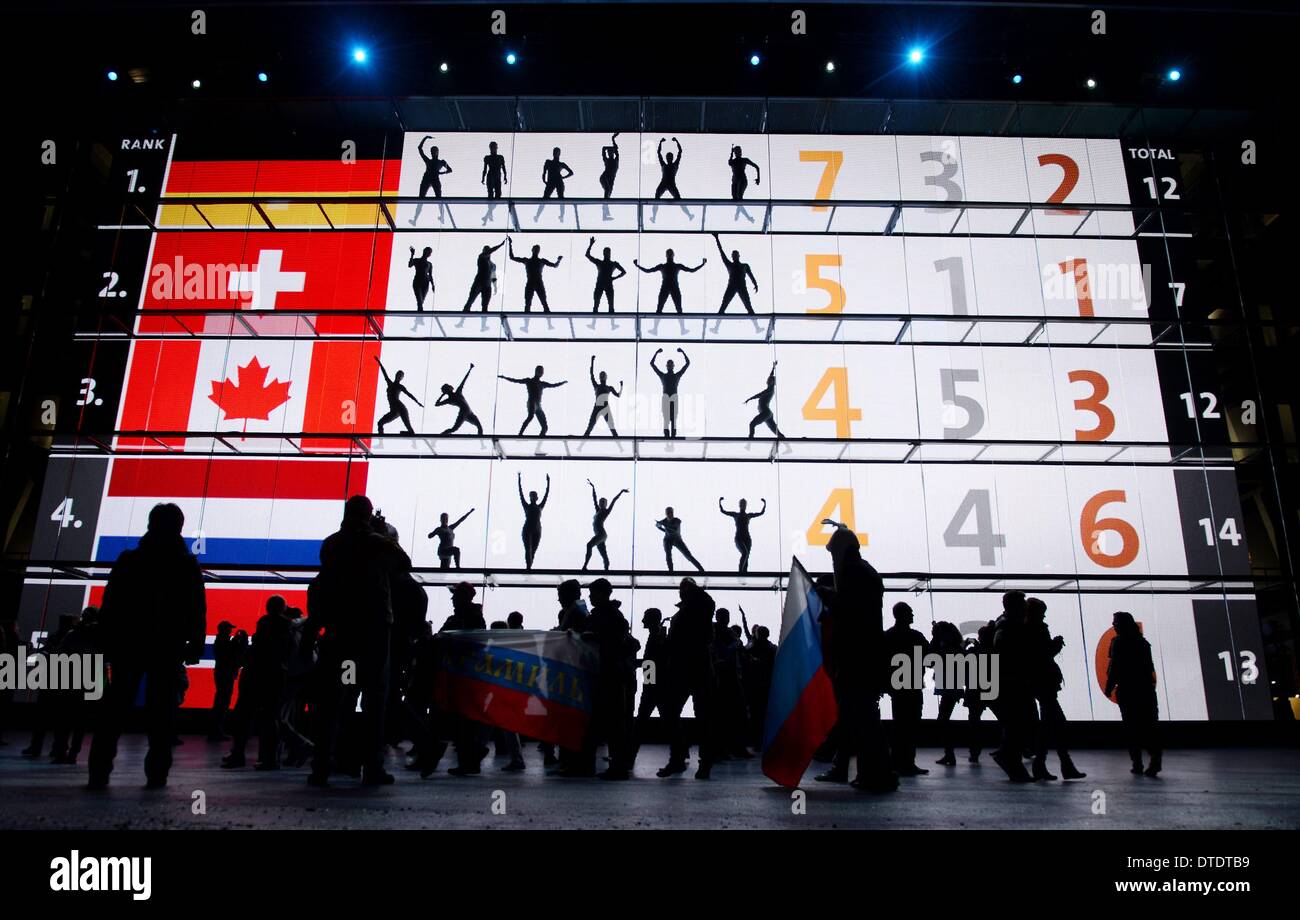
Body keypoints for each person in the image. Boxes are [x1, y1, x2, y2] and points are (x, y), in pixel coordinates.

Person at [87, 503, 206, 789]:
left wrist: (105, 640)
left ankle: (99, 770)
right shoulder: (186, 565)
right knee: (162, 712)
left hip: (129, 643)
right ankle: (156, 773)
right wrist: (195, 644)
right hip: (167, 645)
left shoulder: (129, 560)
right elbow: (196, 608)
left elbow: (111, 603)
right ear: (178, 527)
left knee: (115, 709)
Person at [305, 495, 412, 787]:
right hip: (373, 632)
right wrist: (379, 532)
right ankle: (372, 767)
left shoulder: (332, 544)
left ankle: (323, 765)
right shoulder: (376, 543)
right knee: (375, 698)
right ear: (368, 516)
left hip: (342, 633)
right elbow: (404, 562)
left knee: (336, 698)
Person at [816, 519, 896, 792]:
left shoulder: (852, 572)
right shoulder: (865, 571)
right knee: (858, 716)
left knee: (861, 718)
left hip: (857, 658)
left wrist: (825, 594)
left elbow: (848, 609)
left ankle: (876, 774)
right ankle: (865, 771)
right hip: (867, 656)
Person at [569, 578, 633, 780]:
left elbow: (607, 642)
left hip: (604, 673)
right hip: (611, 673)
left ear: (601, 593)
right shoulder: (613, 615)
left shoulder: (602, 616)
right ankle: (616, 766)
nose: (590, 597)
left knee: (600, 721)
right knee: (612, 722)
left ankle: (589, 765)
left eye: (593, 593)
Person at [657, 578, 717, 779]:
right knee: (703, 716)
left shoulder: (691, 610)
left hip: (683, 668)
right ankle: (701, 762)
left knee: (673, 711)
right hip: (697, 668)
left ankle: (680, 757)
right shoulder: (700, 609)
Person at [1026, 597, 1086, 780]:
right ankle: (1061, 765)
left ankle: (1048, 765)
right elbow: (1043, 654)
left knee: (1049, 725)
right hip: (1045, 682)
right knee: (1056, 724)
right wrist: (1056, 645)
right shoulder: (1038, 629)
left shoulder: (1025, 628)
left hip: (1038, 682)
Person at [1104, 610, 1162, 777]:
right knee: (1150, 725)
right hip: (1144, 689)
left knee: (1131, 727)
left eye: (1115, 622)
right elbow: (1149, 668)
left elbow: (1114, 668)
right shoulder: (1142, 643)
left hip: (1127, 690)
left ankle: (1137, 762)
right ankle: (1154, 760)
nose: (1113, 625)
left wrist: (1109, 687)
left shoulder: (1118, 643)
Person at [990, 591, 1036, 783]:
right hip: (1014, 683)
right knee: (1020, 722)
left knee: (1015, 724)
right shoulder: (1011, 628)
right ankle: (1010, 758)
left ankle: (1012, 760)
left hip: (1010, 682)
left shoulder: (1005, 626)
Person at [883, 602, 930, 777]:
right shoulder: (916, 636)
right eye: (910, 612)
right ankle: (908, 762)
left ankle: (897, 761)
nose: (912, 615)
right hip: (913, 685)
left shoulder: (888, 636)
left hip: (897, 687)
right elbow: (929, 656)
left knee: (899, 725)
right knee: (911, 726)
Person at [630, 606, 669, 767]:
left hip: (653, 686)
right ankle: (680, 752)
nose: (642, 620)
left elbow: (652, 662)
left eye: (645, 617)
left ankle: (628, 757)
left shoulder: (656, 637)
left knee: (641, 722)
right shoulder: (658, 635)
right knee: (668, 720)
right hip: (657, 685)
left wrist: (648, 683)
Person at [711, 608, 752, 760]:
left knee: (724, 715)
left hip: (725, 677)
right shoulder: (728, 635)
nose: (725, 619)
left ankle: (724, 748)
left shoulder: (716, 632)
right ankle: (734, 747)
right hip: (727, 677)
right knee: (734, 714)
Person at [636, 252, 705, 335]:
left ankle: (661, 329)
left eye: (669, 253)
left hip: (668, 288)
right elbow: (692, 270)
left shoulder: (664, 266)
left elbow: (648, 271)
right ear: (672, 255)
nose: (669, 255)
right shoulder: (674, 266)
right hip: (672, 288)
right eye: (669, 253)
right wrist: (702, 264)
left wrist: (637, 265)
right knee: (672, 309)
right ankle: (678, 329)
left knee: (665, 309)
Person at [929, 620, 965, 766]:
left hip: (949, 687)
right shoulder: (956, 648)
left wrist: (935, 638)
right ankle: (949, 753)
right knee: (943, 720)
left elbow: (930, 659)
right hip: (952, 687)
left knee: (942, 720)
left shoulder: (947, 648)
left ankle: (949, 753)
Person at [739, 607, 775, 749]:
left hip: (754, 686)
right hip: (766, 686)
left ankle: (755, 740)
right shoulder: (772, 648)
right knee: (763, 713)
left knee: (754, 714)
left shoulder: (751, 648)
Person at [499, 366, 567, 437]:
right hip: (532, 403)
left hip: (538, 406)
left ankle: (540, 438)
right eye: (540, 371)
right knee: (530, 416)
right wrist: (505, 377)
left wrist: (562, 383)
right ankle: (520, 434)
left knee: (545, 427)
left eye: (542, 372)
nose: (541, 373)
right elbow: (515, 380)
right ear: (536, 371)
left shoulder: (542, 384)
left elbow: (553, 385)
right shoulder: (529, 381)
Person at [208, 620, 246, 740]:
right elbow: (232, 655)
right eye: (229, 628)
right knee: (222, 702)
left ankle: (216, 730)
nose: (231, 631)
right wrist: (239, 642)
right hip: (225, 674)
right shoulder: (223, 642)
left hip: (223, 673)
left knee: (221, 701)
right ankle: (216, 731)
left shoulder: (221, 641)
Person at [964, 621, 996, 763]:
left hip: (975, 690)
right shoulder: (994, 651)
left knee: (974, 723)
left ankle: (974, 752)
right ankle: (1019, 748)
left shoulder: (973, 652)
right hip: (991, 688)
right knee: (1006, 720)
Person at [712, 233, 760, 325]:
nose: (733, 256)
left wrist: (755, 284)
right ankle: (716, 327)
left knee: (748, 307)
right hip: (732, 287)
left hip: (741, 287)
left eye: (735, 255)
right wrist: (717, 239)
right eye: (733, 255)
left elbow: (751, 275)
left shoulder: (744, 266)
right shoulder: (730, 265)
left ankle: (757, 327)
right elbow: (721, 252)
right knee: (723, 306)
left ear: (738, 256)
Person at [583, 479, 628, 571]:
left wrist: (621, 491)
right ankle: (606, 569)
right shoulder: (597, 510)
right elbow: (594, 499)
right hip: (599, 535)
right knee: (604, 555)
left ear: (606, 504)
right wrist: (593, 487)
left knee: (589, 545)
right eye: (601, 502)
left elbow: (614, 500)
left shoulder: (606, 511)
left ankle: (585, 566)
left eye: (604, 502)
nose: (601, 503)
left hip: (601, 534)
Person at [508, 239, 563, 315]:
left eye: (538, 250)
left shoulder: (540, 261)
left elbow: (554, 265)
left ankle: (549, 323)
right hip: (532, 282)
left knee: (543, 302)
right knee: (528, 303)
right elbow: (512, 257)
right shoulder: (527, 260)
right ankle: (527, 323)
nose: (537, 251)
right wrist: (510, 244)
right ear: (532, 250)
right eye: (536, 249)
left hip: (537, 282)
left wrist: (559, 260)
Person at [374, 357, 423, 436]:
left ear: (401, 378)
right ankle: (381, 442)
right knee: (380, 423)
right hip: (394, 411)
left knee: (409, 428)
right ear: (396, 375)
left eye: (400, 376)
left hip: (401, 408)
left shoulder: (400, 387)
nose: (399, 376)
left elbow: (409, 394)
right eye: (398, 374)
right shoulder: (390, 383)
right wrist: (379, 362)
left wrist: (417, 402)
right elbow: (384, 372)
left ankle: (414, 443)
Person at [650, 348, 690, 438]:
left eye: (671, 364)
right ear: (667, 366)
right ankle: (667, 437)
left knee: (673, 419)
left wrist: (683, 352)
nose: (670, 365)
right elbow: (652, 364)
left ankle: (672, 437)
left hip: (673, 399)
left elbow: (687, 363)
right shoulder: (664, 376)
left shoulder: (676, 375)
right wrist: (656, 353)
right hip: (666, 399)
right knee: (666, 420)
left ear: (673, 366)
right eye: (669, 364)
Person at [650, 137, 693, 222]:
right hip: (665, 183)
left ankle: (689, 215)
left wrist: (676, 141)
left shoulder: (673, 165)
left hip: (670, 184)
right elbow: (658, 153)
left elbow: (680, 152)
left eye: (669, 157)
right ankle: (654, 217)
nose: (668, 158)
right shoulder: (667, 165)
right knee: (657, 198)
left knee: (678, 200)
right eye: (668, 157)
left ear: (671, 158)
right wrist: (661, 143)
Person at [412, 136, 452, 225]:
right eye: (432, 151)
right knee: (421, 199)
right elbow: (419, 148)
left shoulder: (441, 162)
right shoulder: (430, 161)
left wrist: (441, 173)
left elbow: (450, 170)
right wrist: (425, 138)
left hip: (432, 179)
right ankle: (415, 220)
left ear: (437, 152)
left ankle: (442, 217)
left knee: (438, 199)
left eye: (434, 151)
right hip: (427, 179)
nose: (432, 153)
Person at [719, 497, 765, 573]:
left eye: (744, 504)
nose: (743, 505)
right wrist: (720, 502)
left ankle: (744, 576)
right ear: (739, 505)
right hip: (739, 537)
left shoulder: (748, 515)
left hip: (747, 538)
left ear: (746, 506)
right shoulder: (735, 514)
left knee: (746, 557)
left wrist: (764, 504)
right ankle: (740, 573)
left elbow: (761, 513)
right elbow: (723, 511)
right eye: (741, 504)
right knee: (745, 553)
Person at [436, 364, 484, 436]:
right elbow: (437, 404)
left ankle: (482, 443)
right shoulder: (449, 399)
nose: (450, 388)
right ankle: (440, 436)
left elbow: (464, 380)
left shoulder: (457, 393)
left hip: (469, 413)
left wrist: (469, 370)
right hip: (464, 413)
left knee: (479, 427)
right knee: (453, 429)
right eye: (448, 388)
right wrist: (442, 394)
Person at [583, 356, 623, 436]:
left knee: (611, 427)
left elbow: (618, 395)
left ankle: (619, 442)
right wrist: (592, 361)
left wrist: (621, 387)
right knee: (590, 427)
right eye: (601, 375)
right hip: (599, 407)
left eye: (603, 375)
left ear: (605, 377)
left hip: (602, 407)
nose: (602, 376)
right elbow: (591, 375)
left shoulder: (606, 387)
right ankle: (583, 439)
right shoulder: (598, 386)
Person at [586, 237, 627, 315]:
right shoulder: (606, 263)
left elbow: (624, 272)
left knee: (608, 306)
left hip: (603, 284)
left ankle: (609, 323)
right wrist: (591, 244)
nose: (607, 254)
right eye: (606, 252)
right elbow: (587, 255)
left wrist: (614, 278)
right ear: (604, 253)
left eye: (608, 252)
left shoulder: (610, 263)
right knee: (598, 305)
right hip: (603, 284)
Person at [656, 506, 704, 573]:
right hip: (668, 540)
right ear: (666, 513)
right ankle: (671, 572)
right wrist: (658, 525)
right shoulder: (664, 521)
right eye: (668, 513)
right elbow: (660, 527)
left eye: (671, 512)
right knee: (668, 556)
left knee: (688, 555)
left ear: (673, 513)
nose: (669, 514)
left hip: (677, 540)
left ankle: (702, 571)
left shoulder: (677, 520)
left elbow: (674, 528)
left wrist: (663, 524)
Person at [463, 241, 506, 313]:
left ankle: (483, 322)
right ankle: (462, 319)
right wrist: (501, 245)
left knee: (485, 305)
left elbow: (493, 276)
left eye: (488, 249)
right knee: (470, 300)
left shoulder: (493, 265)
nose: (487, 251)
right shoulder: (481, 257)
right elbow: (491, 251)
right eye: (486, 250)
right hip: (478, 283)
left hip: (487, 285)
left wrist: (495, 286)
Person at [518, 473, 550, 569]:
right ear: (530, 497)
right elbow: (521, 494)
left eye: (534, 495)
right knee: (528, 549)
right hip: (528, 529)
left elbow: (546, 495)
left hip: (537, 530)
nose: (532, 497)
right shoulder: (526, 506)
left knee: (533, 551)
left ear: (537, 497)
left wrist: (548, 482)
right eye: (531, 495)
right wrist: (519, 480)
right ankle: (528, 568)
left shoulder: (540, 506)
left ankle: (529, 568)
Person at [744, 362, 785, 438]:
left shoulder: (770, 390)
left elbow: (759, 394)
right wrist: (773, 367)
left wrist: (750, 399)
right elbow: (771, 375)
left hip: (766, 413)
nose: (768, 380)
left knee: (752, 424)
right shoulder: (769, 388)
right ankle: (784, 441)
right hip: (768, 414)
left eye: (770, 380)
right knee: (776, 432)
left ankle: (750, 439)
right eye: (768, 380)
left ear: (772, 383)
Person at [534, 147, 574, 222]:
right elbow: (544, 172)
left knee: (559, 198)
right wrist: (544, 180)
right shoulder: (550, 162)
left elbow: (571, 173)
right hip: (553, 182)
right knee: (547, 198)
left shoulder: (557, 163)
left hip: (555, 181)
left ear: (559, 154)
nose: (555, 153)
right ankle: (537, 216)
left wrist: (563, 177)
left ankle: (561, 216)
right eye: (554, 152)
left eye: (556, 152)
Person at [728, 144, 761, 220]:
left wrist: (758, 178)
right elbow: (729, 163)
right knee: (735, 199)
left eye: (739, 151)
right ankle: (746, 216)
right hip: (735, 181)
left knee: (739, 198)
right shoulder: (732, 161)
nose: (738, 153)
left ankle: (745, 216)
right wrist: (731, 154)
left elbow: (757, 167)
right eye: (736, 152)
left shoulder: (744, 160)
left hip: (742, 180)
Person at [598, 133, 620, 220]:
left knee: (608, 196)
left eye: (612, 152)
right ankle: (605, 214)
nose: (611, 153)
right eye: (609, 152)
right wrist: (610, 145)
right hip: (604, 177)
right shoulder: (606, 160)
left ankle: (605, 215)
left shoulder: (616, 159)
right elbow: (603, 149)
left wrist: (613, 140)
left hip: (611, 180)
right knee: (607, 191)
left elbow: (617, 150)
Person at [408, 246, 434, 311]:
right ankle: (420, 315)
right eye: (428, 252)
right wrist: (412, 255)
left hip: (425, 283)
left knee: (421, 301)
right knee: (419, 301)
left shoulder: (429, 264)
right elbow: (410, 265)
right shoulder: (417, 260)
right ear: (424, 251)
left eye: (430, 252)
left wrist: (432, 285)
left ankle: (418, 317)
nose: (429, 254)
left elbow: (430, 275)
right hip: (417, 282)